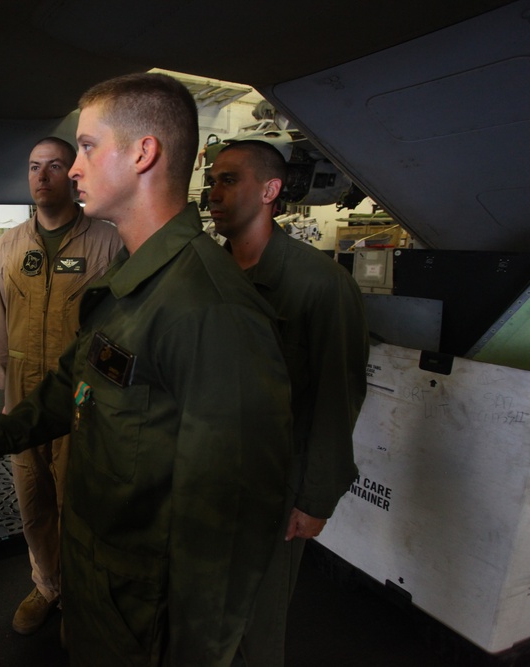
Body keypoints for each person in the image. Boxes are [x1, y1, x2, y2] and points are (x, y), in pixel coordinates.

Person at [0, 72, 293, 666]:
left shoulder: (211, 311)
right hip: (100, 591)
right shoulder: (132, 283)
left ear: (144, 153)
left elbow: (231, 526)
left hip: (147, 620)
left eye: (88, 147)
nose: (71, 168)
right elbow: (75, 383)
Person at [207, 140, 369, 667]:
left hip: (275, 490)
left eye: (229, 180)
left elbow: (337, 398)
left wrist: (315, 499)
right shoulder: (206, 275)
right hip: (205, 475)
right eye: (212, 180)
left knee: (258, 624)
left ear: (271, 190)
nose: (214, 192)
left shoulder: (321, 285)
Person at [0, 136, 122, 635]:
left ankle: (81, 599)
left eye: (53, 166)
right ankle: (47, 585)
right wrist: (4, 385)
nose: (41, 176)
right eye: (33, 167)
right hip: (23, 391)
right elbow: (1, 323)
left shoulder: (107, 242)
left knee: (77, 499)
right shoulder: (8, 244)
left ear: (71, 175)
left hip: (80, 391)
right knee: (33, 498)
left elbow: (116, 326)